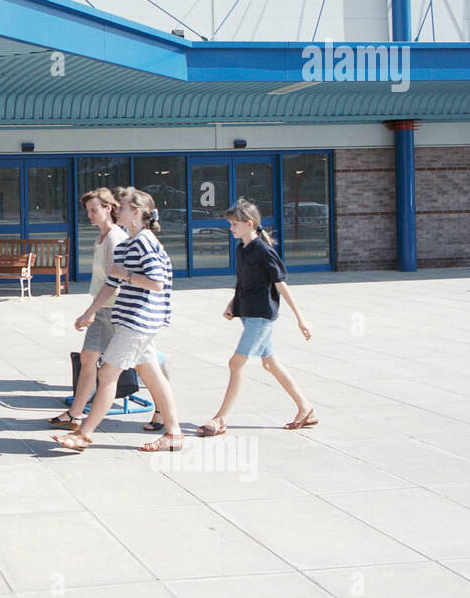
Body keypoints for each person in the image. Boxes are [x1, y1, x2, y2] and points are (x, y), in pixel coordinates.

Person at [60, 186, 183, 453]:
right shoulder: (129, 243)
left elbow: (157, 283)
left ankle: (84, 434)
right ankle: (174, 433)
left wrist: (126, 275)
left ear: (136, 213)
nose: (118, 209)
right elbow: (110, 282)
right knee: (152, 375)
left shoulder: (145, 241)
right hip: (131, 320)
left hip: (138, 322)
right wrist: (89, 312)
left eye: (123, 206)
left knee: (107, 374)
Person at [200, 199, 316, 436]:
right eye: (230, 224)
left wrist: (300, 318)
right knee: (270, 364)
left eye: (234, 224)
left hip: (262, 316)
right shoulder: (242, 248)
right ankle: (306, 409)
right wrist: (233, 304)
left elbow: (281, 285)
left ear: (249, 223)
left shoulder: (264, 251)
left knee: (235, 363)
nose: (231, 228)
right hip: (248, 313)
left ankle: (220, 419)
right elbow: (242, 281)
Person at [49, 188, 127, 430]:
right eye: (88, 211)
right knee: (88, 358)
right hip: (102, 308)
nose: (90, 215)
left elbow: (114, 282)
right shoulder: (102, 237)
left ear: (109, 208)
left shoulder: (115, 238)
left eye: (94, 210)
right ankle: (75, 413)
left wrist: (90, 311)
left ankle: (162, 412)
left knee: (142, 363)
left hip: (115, 309)